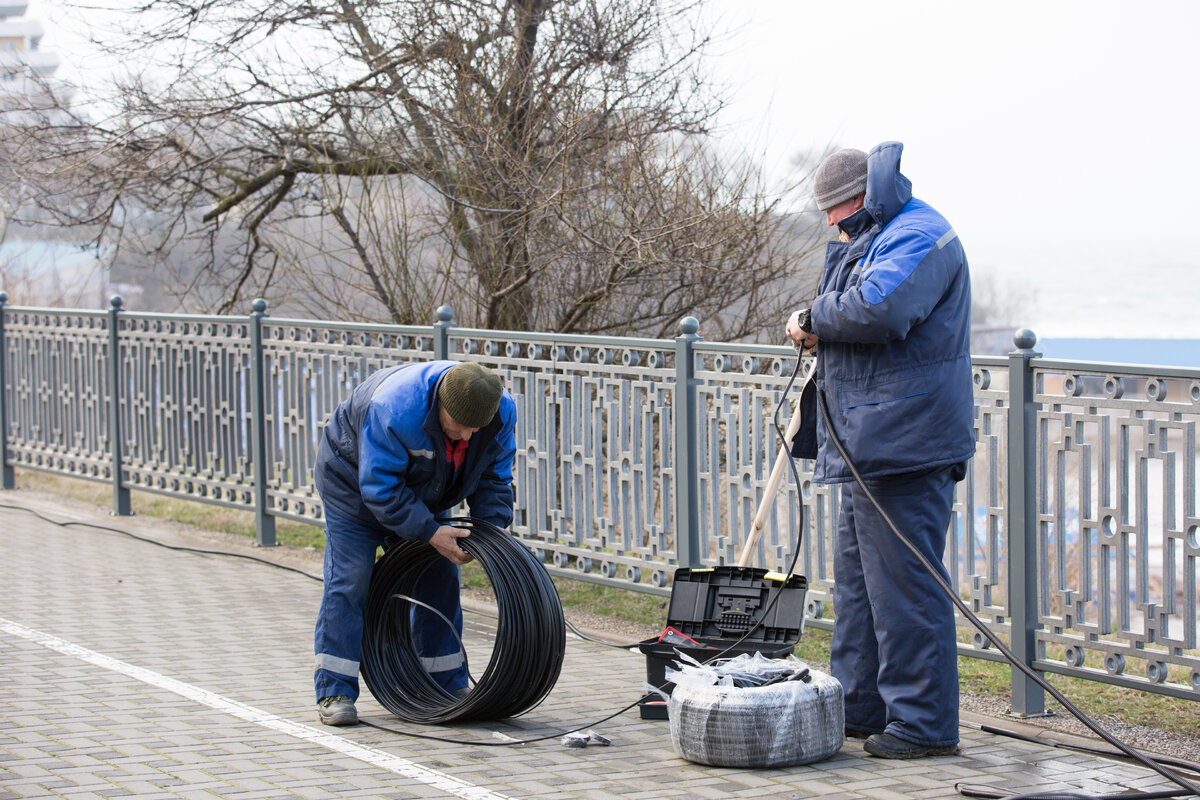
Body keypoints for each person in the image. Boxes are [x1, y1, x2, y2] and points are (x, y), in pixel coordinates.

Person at [785, 142, 974, 759]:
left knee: (906, 593)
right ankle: (861, 708)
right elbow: (853, 312)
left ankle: (921, 725)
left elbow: (879, 308)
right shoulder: (872, 233)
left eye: (837, 214)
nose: (833, 227)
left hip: (905, 444)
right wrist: (818, 323)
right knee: (861, 591)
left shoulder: (920, 235)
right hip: (868, 441)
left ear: (859, 199)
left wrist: (814, 315)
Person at [311, 360, 517, 726]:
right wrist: (431, 532)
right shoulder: (394, 409)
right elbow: (380, 488)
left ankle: (446, 683)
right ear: (440, 407)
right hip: (352, 489)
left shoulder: (499, 412)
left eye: (475, 429)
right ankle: (335, 690)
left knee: (438, 574)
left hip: (420, 494)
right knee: (351, 578)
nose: (468, 437)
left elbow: (495, 480)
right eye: (459, 427)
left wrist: (489, 537)